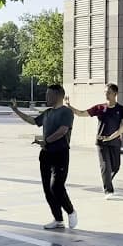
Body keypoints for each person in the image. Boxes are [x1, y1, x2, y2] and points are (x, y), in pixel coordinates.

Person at [10, 85, 78, 230]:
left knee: (56, 186)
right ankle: (58, 220)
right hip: (46, 154)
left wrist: (46, 141)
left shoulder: (66, 112)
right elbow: (33, 121)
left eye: (49, 95)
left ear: (57, 96)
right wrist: (16, 110)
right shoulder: (47, 113)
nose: (46, 97)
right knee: (47, 190)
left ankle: (71, 211)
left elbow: (62, 131)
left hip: (60, 153)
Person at [66, 83, 123, 199]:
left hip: (115, 142)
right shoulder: (99, 108)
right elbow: (81, 113)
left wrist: (112, 136)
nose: (106, 94)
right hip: (101, 142)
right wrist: (69, 106)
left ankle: (107, 180)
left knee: (116, 167)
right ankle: (108, 190)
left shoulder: (122, 109)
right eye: (105, 92)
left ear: (115, 94)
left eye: (109, 92)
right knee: (105, 166)